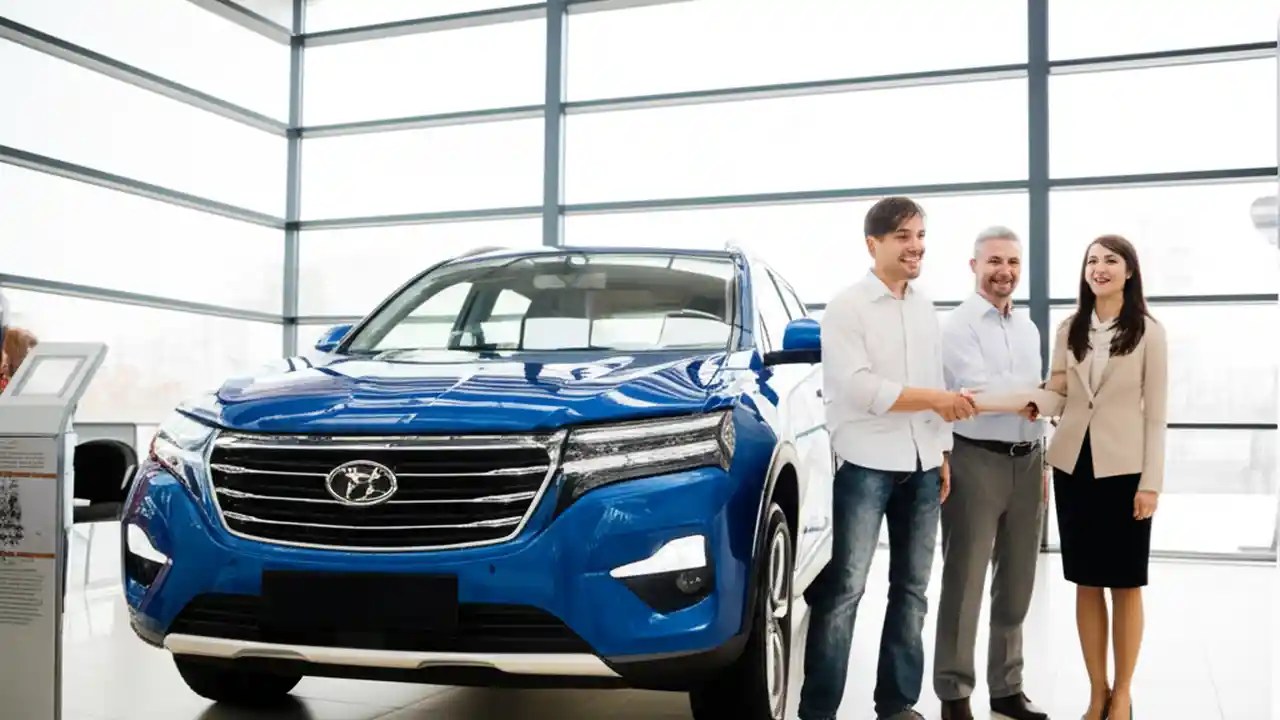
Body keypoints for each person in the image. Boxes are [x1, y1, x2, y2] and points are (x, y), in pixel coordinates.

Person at [799, 196, 977, 720]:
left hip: (922, 465)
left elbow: (934, 380)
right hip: (865, 464)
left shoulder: (924, 308)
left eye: (920, 235)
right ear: (872, 244)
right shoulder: (846, 307)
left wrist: (942, 450)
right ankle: (818, 713)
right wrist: (938, 402)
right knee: (844, 591)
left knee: (912, 592)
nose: (915, 246)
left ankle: (896, 704)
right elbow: (860, 389)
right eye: (903, 236)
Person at [1024, 234, 1167, 720]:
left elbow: (1156, 414)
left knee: (1125, 582)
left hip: (1125, 469)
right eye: (1091, 261)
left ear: (1130, 271)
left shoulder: (1149, 331)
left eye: (1110, 260)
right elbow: (1059, 391)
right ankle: (1096, 691)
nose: (1098, 268)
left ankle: (1122, 693)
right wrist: (1028, 400)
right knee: (1086, 581)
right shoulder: (1070, 328)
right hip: (1074, 467)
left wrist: (1151, 482)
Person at [934, 227, 1050, 720]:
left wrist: (1042, 457)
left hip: (1028, 460)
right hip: (975, 459)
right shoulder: (958, 325)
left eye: (1013, 263)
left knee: (1018, 581)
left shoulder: (1028, 328)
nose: (1005, 271)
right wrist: (1034, 398)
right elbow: (976, 395)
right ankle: (954, 694)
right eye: (995, 261)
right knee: (965, 580)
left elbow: (1035, 397)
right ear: (974, 266)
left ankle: (1007, 688)